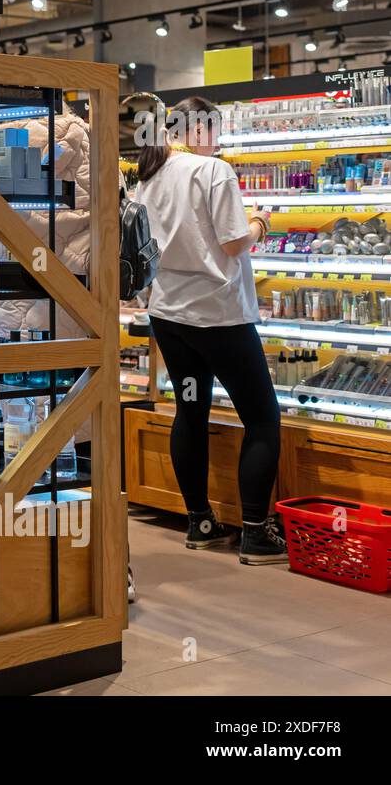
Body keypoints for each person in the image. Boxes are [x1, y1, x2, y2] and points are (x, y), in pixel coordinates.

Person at [134, 96, 287, 565]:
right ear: (198, 129)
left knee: (191, 411)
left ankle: (201, 522)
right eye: (215, 130)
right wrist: (261, 222)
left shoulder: (150, 173)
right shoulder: (213, 171)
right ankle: (257, 533)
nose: (218, 140)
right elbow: (233, 241)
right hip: (219, 316)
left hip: (170, 316)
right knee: (261, 418)